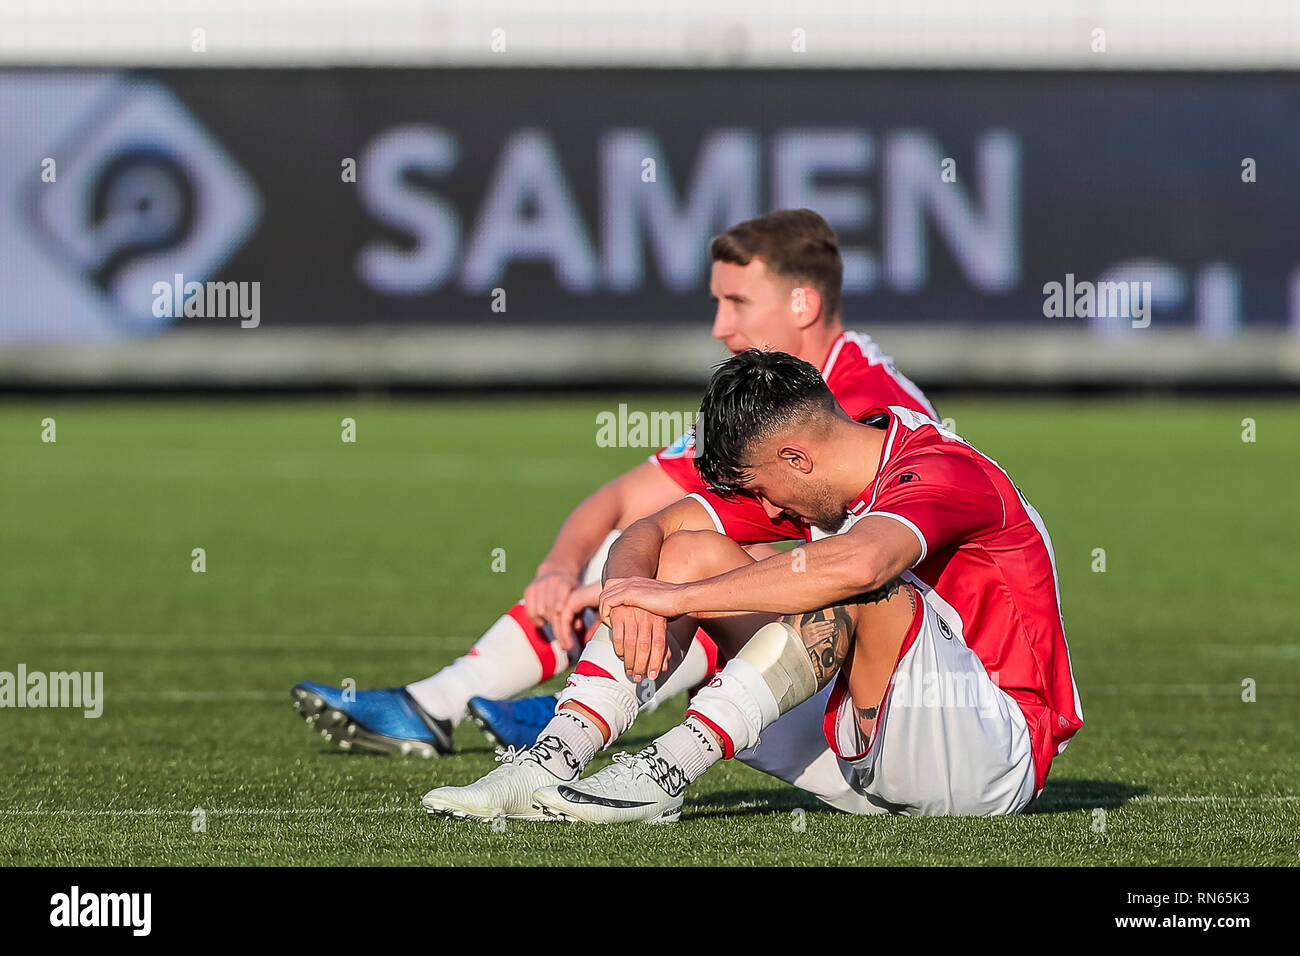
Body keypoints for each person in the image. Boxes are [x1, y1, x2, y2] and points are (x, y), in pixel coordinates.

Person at [291, 209, 935, 758]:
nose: (720, 326)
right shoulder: (772, 399)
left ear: (805, 303)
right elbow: (624, 498)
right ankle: (460, 704)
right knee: (647, 541)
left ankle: (566, 709)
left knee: (681, 555)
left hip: (897, 688)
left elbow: (833, 569)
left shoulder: (856, 406)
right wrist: (557, 567)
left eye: (737, 302)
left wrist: (622, 590)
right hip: (819, 646)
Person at [423, 349, 1081, 821]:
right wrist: (631, 594)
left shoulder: (940, 467)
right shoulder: (811, 481)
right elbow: (648, 528)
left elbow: (859, 569)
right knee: (686, 553)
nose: (765, 511)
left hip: (988, 759)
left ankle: (664, 772)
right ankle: (546, 763)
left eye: (762, 488)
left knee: (858, 587)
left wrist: (675, 603)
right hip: (870, 750)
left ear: (795, 456)